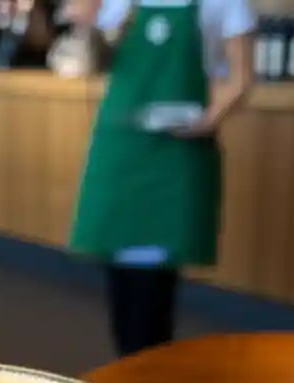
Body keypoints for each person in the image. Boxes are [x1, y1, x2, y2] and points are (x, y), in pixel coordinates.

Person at [69, 0, 255, 356]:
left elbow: (243, 79)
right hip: (120, 151)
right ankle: (132, 380)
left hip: (176, 155)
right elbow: (96, 65)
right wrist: (86, 25)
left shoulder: (225, 4)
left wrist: (210, 120)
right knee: (122, 286)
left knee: (152, 293)